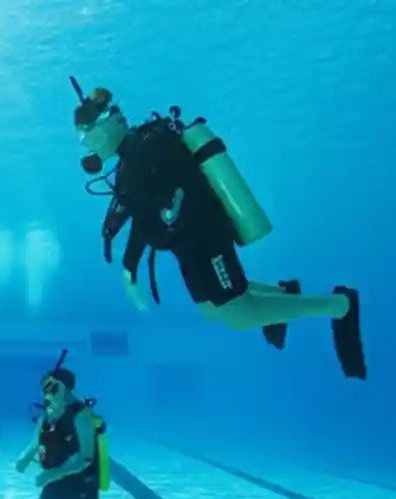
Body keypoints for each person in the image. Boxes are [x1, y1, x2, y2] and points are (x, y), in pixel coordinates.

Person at [72, 81, 366, 379]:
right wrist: (129, 269)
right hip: (186, 246)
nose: (85, 145)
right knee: (212, 310)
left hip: (205, 236)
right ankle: (282, 293)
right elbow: (143, 217)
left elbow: (148, 218)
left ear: (102, 129)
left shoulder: (143, 153)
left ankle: (339, 305)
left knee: (238, 314)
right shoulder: (131, 160)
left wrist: (130, 267)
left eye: (85, 135)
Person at [14, 363, 144, 499]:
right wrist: (23, 459)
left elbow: (85, 458)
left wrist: (51, 475)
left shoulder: (81, 416)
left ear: (64, 388)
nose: (46, 393)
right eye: (45, 387)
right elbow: (36, 441)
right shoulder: (49, 412)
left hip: (82, 484)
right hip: (56, 483)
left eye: (51, 387)